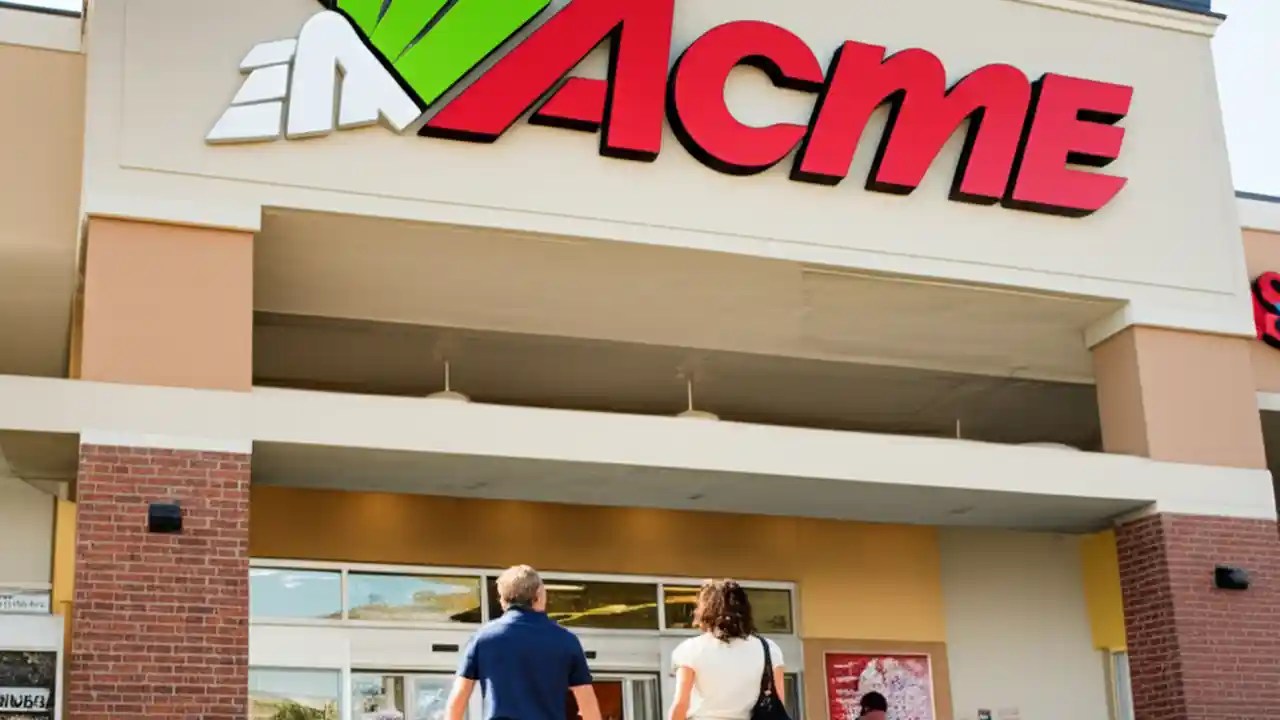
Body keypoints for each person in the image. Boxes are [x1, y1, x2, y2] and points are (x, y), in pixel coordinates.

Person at [445, 565, 603, 720]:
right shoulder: (566, 640)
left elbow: (458, 699)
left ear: (502, 600)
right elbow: (587, 704)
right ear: (539, 595)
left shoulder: (483, 638)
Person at [667, 580, 786, 720]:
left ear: (705, 610)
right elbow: (778, 702)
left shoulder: (690, 649)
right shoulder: (769, 649)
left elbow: (681, 705)